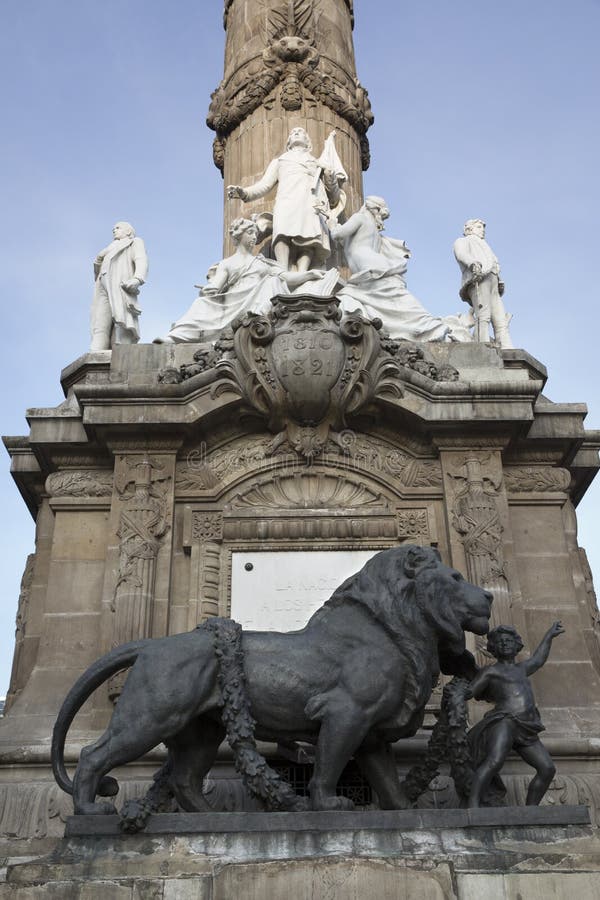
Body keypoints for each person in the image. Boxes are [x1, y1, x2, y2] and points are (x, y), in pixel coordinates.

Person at [155, 218, 333, 343]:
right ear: (239, 236)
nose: (254, 237)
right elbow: (216, 285)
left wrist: (309, 275)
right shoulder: (227, 263)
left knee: (272, 281)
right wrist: (209, 290)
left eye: (255, 233)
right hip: (235, 299)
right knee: (201, 304)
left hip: (257, 300)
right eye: (250, 232)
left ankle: (258, 317)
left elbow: (286, 278)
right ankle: (176, 336)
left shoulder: (263, 262)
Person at [332, 196, 462, 342]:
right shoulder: (372, 228)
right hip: (376, 265)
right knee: (396, 301)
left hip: (370, 268)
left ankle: (431, 327)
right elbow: (349, 243)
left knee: (396, 301)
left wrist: (331, 222)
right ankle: (426, 326)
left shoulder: (359, 218)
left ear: (368, 206)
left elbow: (337, 234)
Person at [464, 621, 564, 807]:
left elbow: (539, 659)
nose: (505, 643)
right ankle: (473, 805)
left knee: (547, 768)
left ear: (517, 644)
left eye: (509, 640)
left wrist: (549, 635)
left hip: (526, 727)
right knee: (494, 761)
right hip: (505, 722)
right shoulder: (491, 671)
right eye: (500, 641)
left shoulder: (522, 669)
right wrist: (458, 694)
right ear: (493, 648)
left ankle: (531, 809)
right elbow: (471, 691)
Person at [227, 127, 347, 272]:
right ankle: (282, 269)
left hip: (309, 202)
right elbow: (264, 185)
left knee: (308, 238)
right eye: (292, 132)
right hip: (286, 200)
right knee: (281, 233)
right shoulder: (280, 161)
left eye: (301, 132)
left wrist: (329, 173)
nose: (296, 133)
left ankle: (303, 271)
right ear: (289, 142)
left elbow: (332, 194)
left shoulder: (316, 163)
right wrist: (244, 193)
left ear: (308, 142)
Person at [453, 219, 513, 348]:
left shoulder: (484, 244)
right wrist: (472, 263)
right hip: (479, 279)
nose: (482, 230)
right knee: (483, 315)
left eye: (482, 227)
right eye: (479, 227)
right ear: (469, 229)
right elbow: (461, 254)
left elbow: (492, 261)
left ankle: (507, 347)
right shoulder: (463, 241)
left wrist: (499, 279)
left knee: (501, 319)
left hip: (493, 281)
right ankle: (482, 346)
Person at [90, 221, 148, 350]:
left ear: (128, 231)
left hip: (119, 283)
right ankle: (97, 349)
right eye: (113, 228)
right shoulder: (110, 248)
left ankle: (121, 350)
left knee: (121, 317)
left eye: (118, 228)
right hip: (102, 283)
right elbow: (98, 269)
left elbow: (141, 259)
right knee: (100, 319)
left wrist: (137, 278)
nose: (114, 230)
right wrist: (100, 257)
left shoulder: (134, 242)